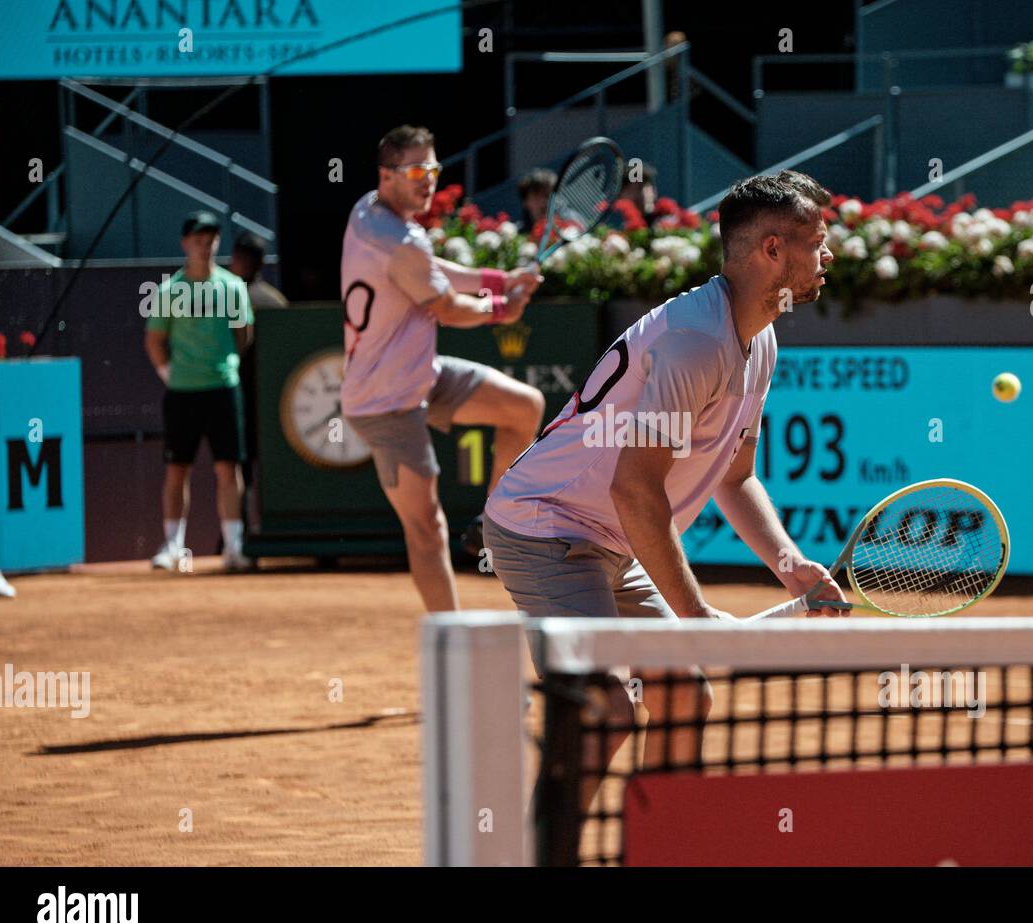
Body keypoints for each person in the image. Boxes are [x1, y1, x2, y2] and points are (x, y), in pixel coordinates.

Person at [482, 170, 846, 803]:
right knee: (606, 713)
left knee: (682, 694)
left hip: (615, 539)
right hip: (547, 529)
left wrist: (789, 563)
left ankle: (663, 849)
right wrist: (697, 616)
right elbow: (636, 489)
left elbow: (737, 476)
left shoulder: (760, 340)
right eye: (817, 241)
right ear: (772, 251)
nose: (828, 255)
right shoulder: (694, 343)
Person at [340, 125, 545, 612]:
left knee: (524, 407)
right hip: (384, 402)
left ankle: (492, 526)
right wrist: (501, 308)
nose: (428, 180)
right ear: (386, 175)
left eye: (432, 169)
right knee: (427, 530)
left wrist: (500, 279)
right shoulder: (397, 239)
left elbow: (433, 270)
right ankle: (455, 650)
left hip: (421, 374)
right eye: (416, 171)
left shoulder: (369, 210)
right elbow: (449, 308)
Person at [144, 210, 256, 572]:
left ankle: (234, 548)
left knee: (228, 469)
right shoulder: (169, 291)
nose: (204, 247)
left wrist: (224, 366)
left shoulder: (232, 287)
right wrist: (169, 373)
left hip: (223, 389)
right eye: (198, 240)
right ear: (185, 244)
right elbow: (155, 340)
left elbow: (243, 335)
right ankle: (174, 546)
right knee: (178, 469)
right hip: (182, 394)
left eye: (210, 241)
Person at [228, 231, 288, 530]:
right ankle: (256, 531)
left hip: (248, 399)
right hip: (262, 399)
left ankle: (244, 534)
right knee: (249, 468)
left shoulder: (230, 298)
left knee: (243, 468)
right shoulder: (276, 301)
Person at [516, 168, 556, 233]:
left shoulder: (572, 222)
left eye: (547, 196)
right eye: (537, 198)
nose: (543, 202)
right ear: (525, 203)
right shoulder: (518, 235)